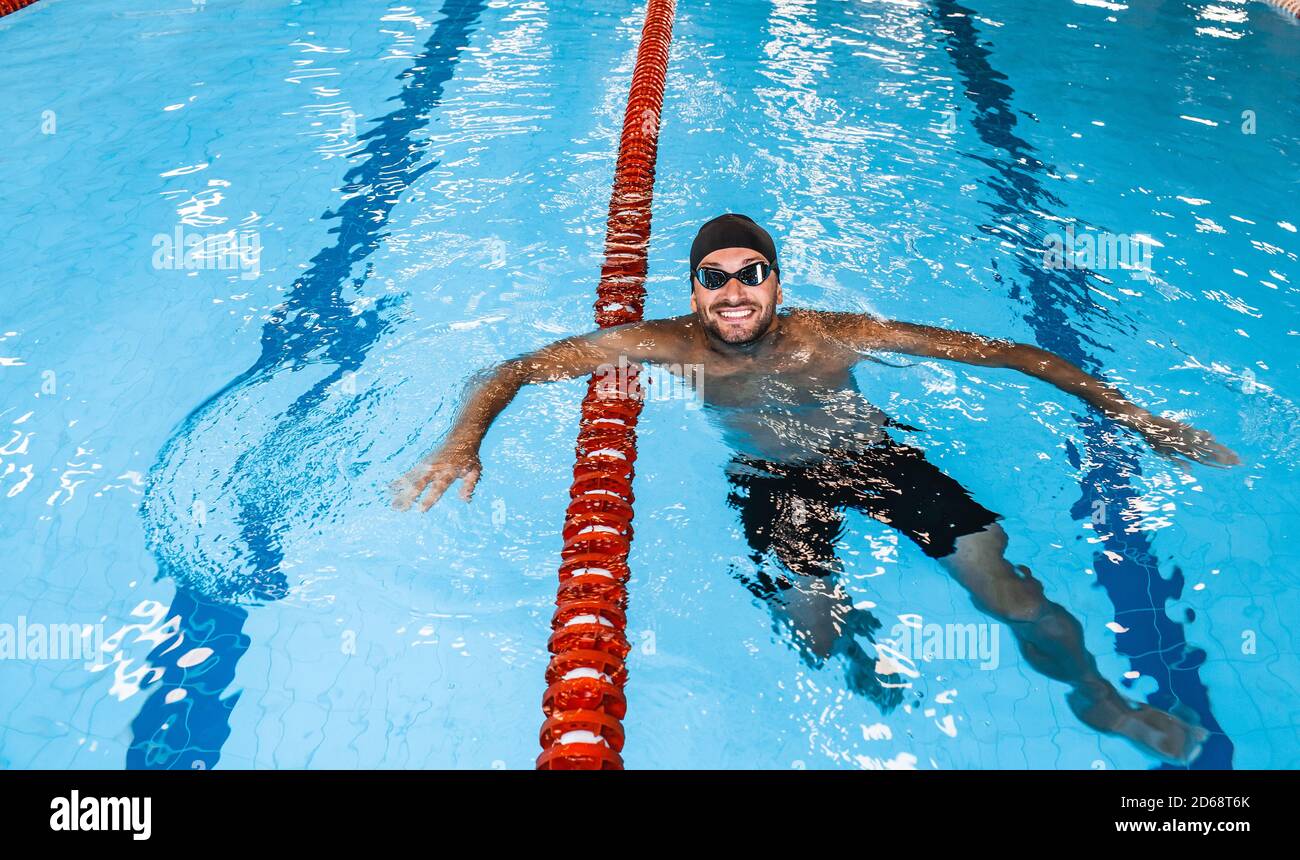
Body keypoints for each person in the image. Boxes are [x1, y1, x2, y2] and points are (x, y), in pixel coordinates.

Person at [392, 213, 1239, 764]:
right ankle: (854, 631)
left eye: (750, 273)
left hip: (880, 464)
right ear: (693, 290)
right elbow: (514, 368)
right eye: (714, 277)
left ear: (777, 281)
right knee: (818, 637)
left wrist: (1137, 417)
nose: (733, 291)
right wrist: (463, 444)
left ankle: (1101, 701)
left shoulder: (838, 335)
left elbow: (1011, 354)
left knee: (1007, 592)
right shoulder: (663, 343)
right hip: (774, 482)